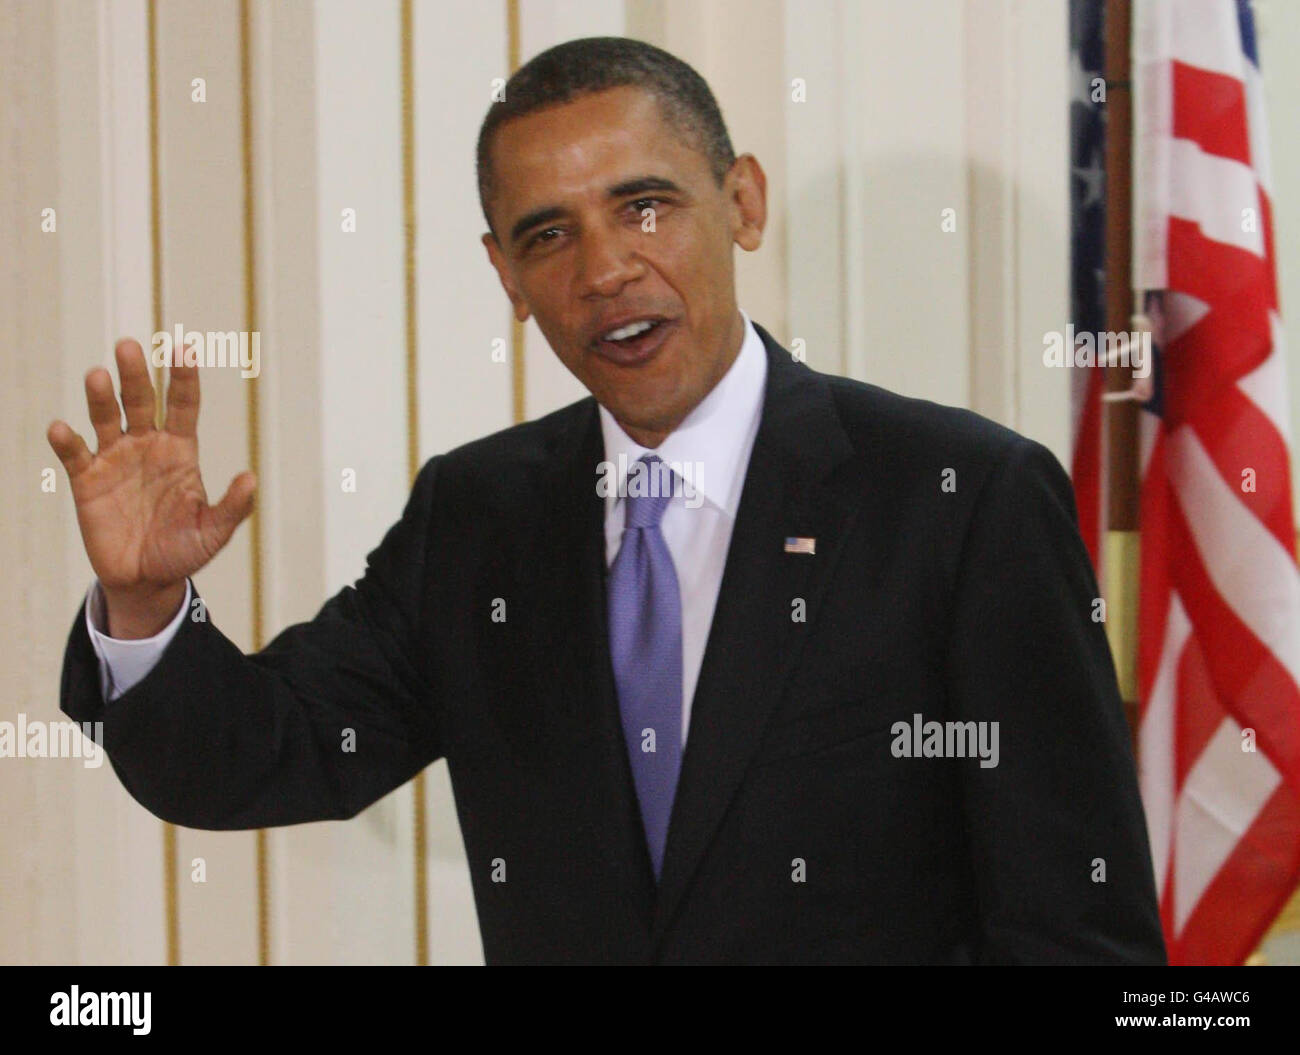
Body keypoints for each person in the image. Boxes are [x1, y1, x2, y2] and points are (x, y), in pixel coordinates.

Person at [48, 36, 1166, 964]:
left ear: (741, 202)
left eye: (644, 206)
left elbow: (1077, 926)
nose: (603, 269)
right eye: (549, 234)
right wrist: (142, 605)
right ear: (505, 275)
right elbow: (264, 750)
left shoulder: (960, 498)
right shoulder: (476, 515)